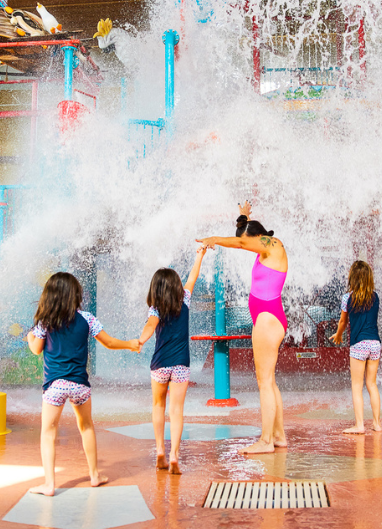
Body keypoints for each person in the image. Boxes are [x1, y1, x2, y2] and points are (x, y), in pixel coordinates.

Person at [26, 272, 140, 496]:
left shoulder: (45, 321)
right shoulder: (87, 319)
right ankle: (95, 475)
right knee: (86, 426)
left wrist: (30, 337)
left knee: (48, 433)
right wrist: (130, 344)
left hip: (55, 385)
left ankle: (49, 485)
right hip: (79, 384)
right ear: (75, 295)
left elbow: (36, 349)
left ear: (49, 296)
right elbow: (108, 342)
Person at [197, 201, 288, 454]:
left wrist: (213, 238)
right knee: (270, 381)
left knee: (264, 382)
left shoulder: (275, 244)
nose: (246, 247)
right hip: (266, 318)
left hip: (269, 318)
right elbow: (243, 238)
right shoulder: (263, 251)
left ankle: (266, 441)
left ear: (258, 237)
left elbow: (240, 242)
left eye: (249, 242)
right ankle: (278, 436)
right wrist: (244, 216)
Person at [137, 245, 208, 475]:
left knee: (158, 405)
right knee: (177, 410)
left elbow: (150, 327)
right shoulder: (184, 301)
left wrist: (141, 341)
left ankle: (160, 451)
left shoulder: (155, 309)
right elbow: (192, 277)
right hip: (181, 364)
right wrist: (199, 256)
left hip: (160, 364)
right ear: (177, 286)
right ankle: (175, 454)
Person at [330, 260, 382, 434]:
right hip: (375, 344)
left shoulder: (348, 298)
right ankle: (376, 423)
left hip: (359, 344)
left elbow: (343, 321)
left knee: (356, 386)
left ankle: (359, 425)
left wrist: (338, 335)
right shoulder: (375, 297)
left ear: (352, 278)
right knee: (372, 384)